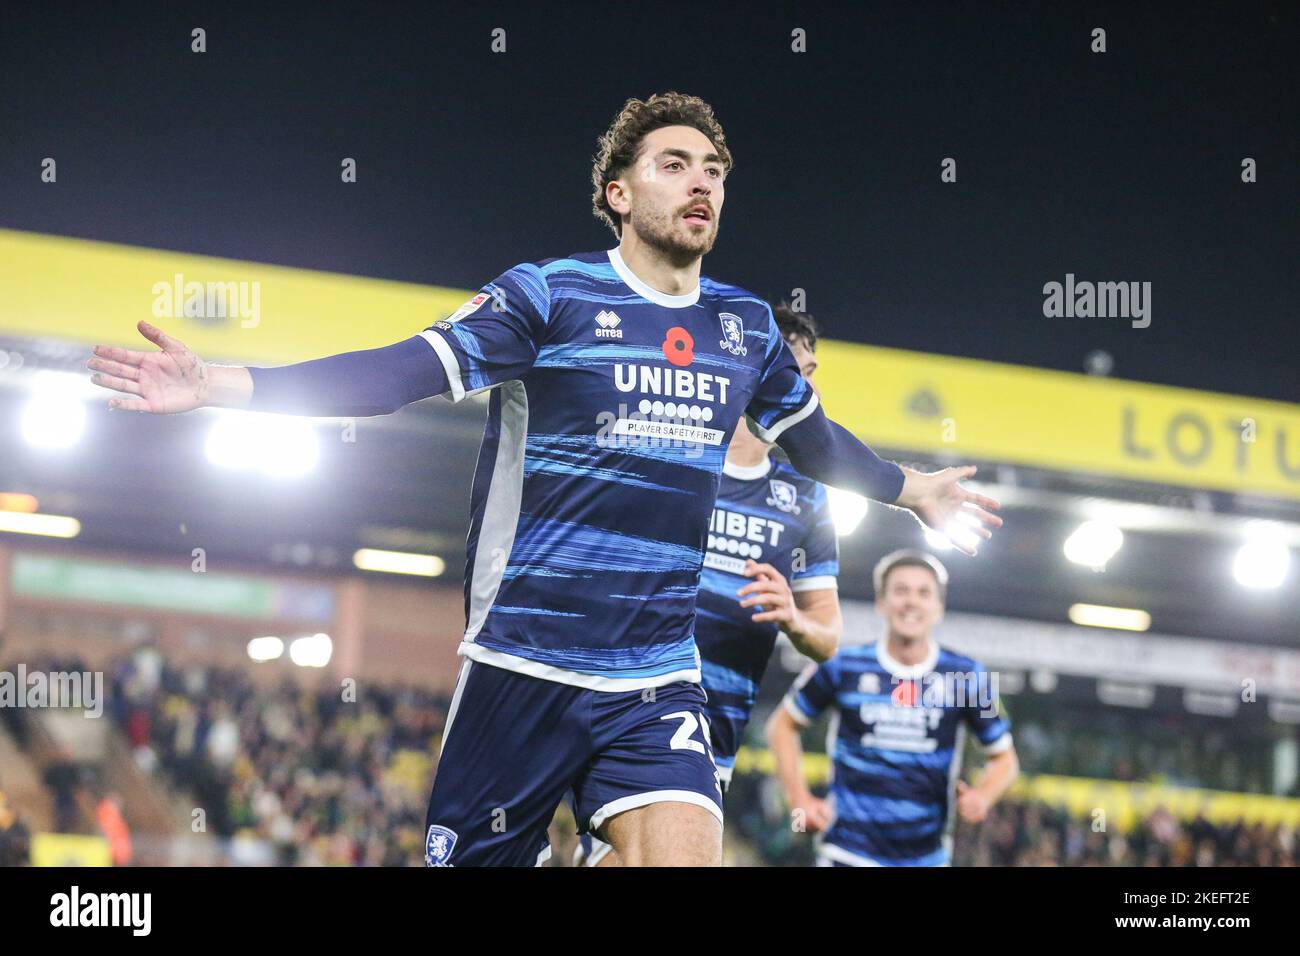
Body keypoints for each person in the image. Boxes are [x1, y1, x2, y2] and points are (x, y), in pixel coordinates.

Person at [86, 92, 1002, 867]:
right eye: (676, 164)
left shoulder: (746, 330)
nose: (702, 184)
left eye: (715, 171)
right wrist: (219, 385)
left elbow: (816, 442)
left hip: (653, 677)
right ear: (618, 191)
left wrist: (911, 488)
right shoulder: (548, 296)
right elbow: (396, 374)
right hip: (521, 668)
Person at [574, 303, 842, 867]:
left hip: (718, 726)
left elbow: (828, 638)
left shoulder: (808, 495)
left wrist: (794, 617)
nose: (808, 382)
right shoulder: (680, 451)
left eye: (812, 371)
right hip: (633, 702)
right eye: (797, 365)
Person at [767, 549, 1019, 866]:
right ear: (881, 602)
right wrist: (799, 800)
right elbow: (782, 726)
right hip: (846, 852)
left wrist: (983, 796)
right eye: (900, 591)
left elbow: (1005, 758)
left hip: (926, 857)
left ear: (938, 607)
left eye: (923, 593)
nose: (911, 601)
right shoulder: (842, 665)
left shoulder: (968, 676)